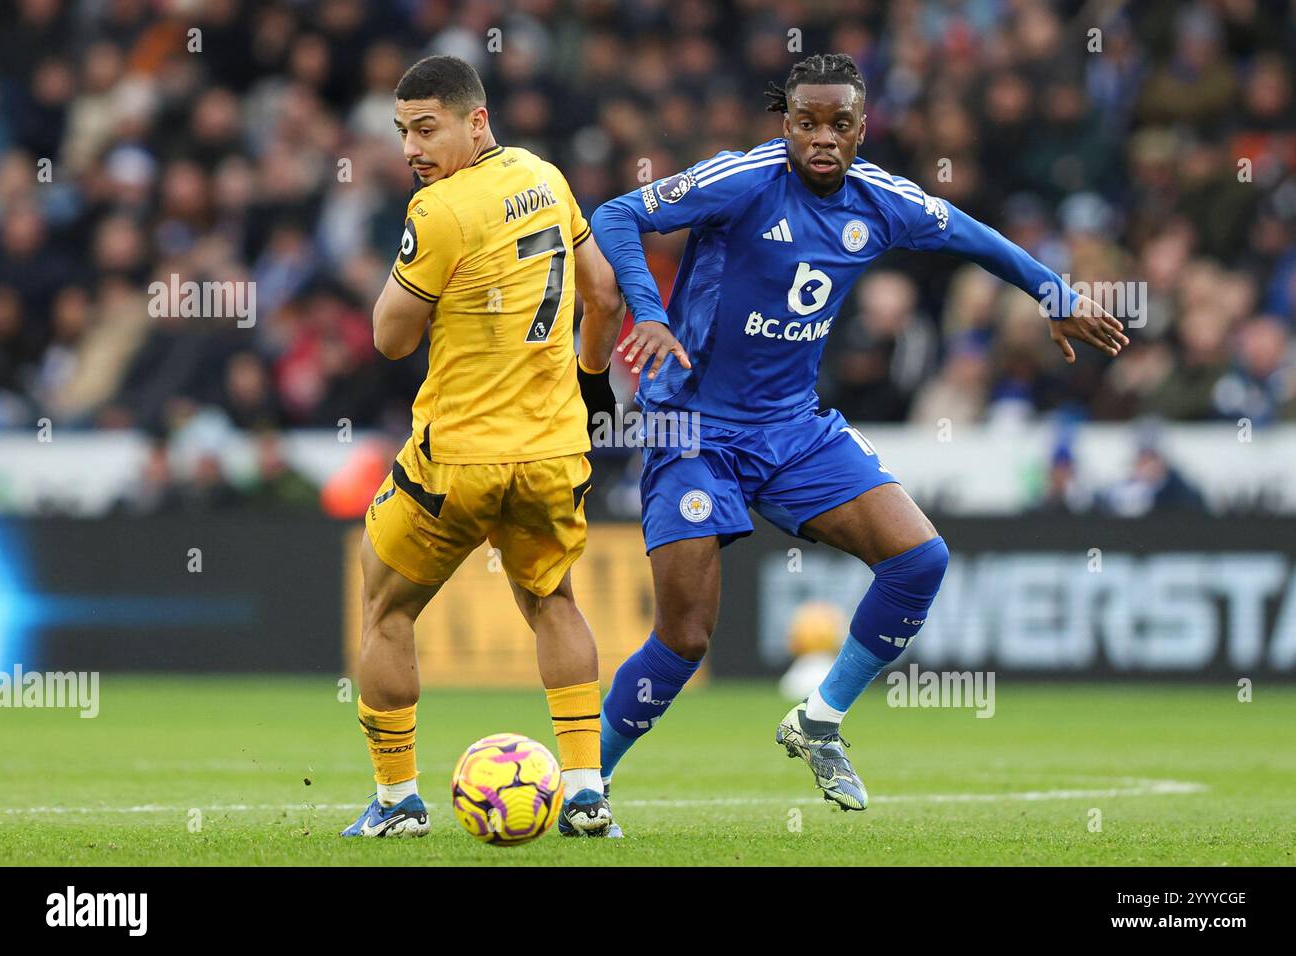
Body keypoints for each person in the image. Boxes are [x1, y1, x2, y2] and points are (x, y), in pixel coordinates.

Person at [587, 53, 1126, 820]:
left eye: (840, 124)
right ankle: (588, 780)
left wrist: (1054, 292)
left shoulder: (883, 200)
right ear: (787, 122)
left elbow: (973, 236)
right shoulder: (740, 179)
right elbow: (615, 215)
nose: (822, 138)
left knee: (920, 559)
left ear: (862, 126)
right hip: (693, 427)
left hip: (794, 429)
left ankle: (819, 719)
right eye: (806, 122)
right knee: (685, 637)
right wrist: (648, 310)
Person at [342, 55, 625, 839]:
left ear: (477, 119)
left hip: (458, 459)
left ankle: (398, 803)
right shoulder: (547, 175)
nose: (410, 149)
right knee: (554, 602)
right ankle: (587, 793)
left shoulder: (438, 212)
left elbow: (390, 339)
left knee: (385, 606)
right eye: (402, 131)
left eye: (426, 128)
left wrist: (424, 284)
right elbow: (603, 293)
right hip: (553, 451)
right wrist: (591, 378)